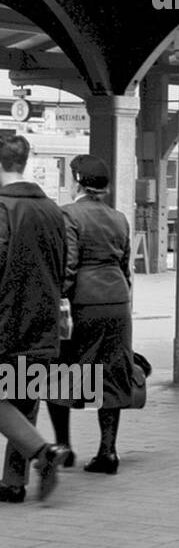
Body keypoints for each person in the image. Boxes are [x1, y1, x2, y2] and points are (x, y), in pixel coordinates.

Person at [47, 155, 136, 476]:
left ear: (77, 182)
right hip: (116, 302)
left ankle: (64, 447)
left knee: (61, 372)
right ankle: (108, 451)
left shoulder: (68, 215)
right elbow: (126, 268)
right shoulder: (119, 218)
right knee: (111, 373)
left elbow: (68, 265)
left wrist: (60, 300)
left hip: (83, 303)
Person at [0, 132, 71, 503]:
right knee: (23, 394)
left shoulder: (3, 208)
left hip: (5, 320)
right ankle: (13, 482)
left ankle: (44, 452)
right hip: (42, 321)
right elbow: (65, 266)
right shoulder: (52, 210)